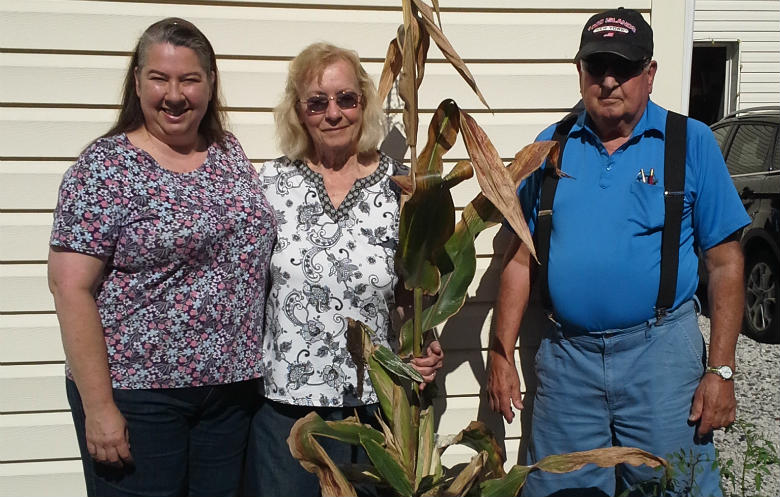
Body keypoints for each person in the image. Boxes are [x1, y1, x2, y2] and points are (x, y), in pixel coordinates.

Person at [486, 8, 749, 497]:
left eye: (624, 68)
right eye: (597, 66)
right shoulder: (548, 148)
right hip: (567, 363)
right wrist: (500, 355)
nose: (609, 81)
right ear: (580, 72)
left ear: (648, 74)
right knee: (561, 488)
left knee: (674, 487)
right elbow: (518, 261)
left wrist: (721, 370)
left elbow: (726, 262)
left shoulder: (688, 143)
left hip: (661, 358)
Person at [47, 18, 275, 497]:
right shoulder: (105, 168)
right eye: (160, 78)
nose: (175, 94)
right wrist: (100, 409)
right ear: (137, 82)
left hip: (230, 396)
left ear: (210, 86)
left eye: (189, 79)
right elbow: (70, 287)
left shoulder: (229, 154)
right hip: (139, 397)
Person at [243, 42, 443, 497]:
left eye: (346, 99)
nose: (333, 113)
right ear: (298, 112)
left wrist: (426, 342)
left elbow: (420, 289)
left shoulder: (402, 188)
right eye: (317, 102)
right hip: (286, 412)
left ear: (364, 103)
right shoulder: (271, 184)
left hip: (372, 410)